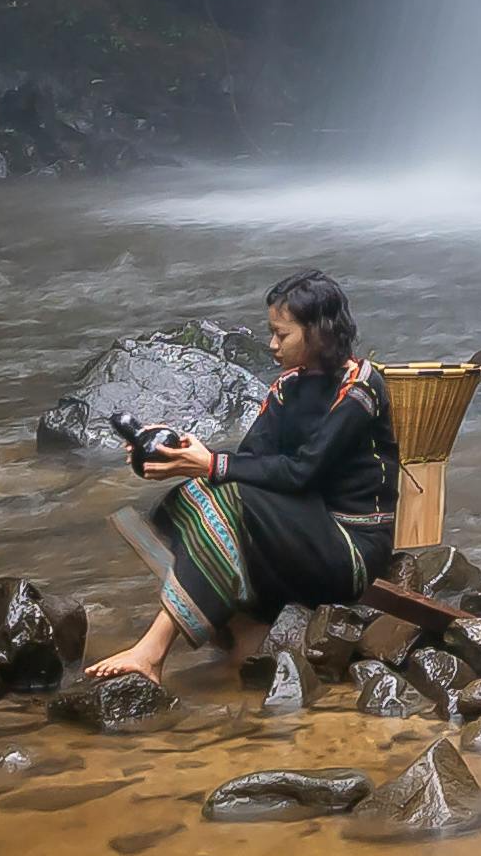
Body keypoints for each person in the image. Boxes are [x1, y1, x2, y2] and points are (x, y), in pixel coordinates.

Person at [81, 267, 396, 683]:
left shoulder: (361, 386)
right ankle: (241, 623)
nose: (271, 344)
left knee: (223, 489)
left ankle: (153, 651)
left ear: (318, 333)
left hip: (351, 548)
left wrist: (212, 463)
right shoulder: (287, 388)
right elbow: (249, 461)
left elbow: (302, 471)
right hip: (303, 536)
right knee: (197, 492)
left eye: (282, 335)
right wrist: (174, 448)